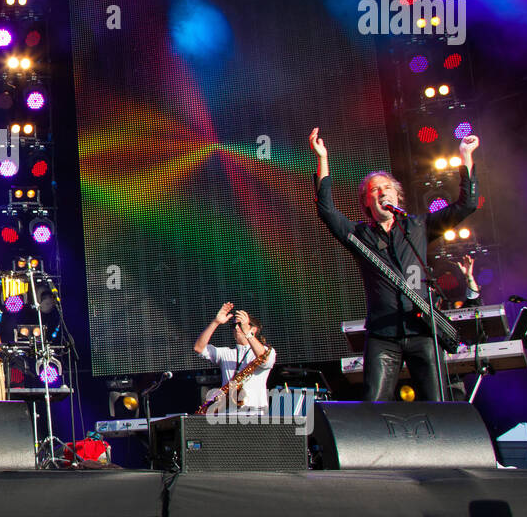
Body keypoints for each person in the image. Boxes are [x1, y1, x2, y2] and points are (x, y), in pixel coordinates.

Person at [309, 126, 480, 401]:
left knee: (437, 404)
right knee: (375, 406)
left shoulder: (419, 227)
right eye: (374, 190)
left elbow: (466, 205)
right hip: (382, 336)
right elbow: (326, 209)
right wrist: (322, 158)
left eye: (387, 188)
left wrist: (465, 155)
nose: (381, 193)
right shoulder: (359, 235)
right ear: (367, 201)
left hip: (423, 331)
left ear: (397, 196)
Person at [192, 302, 277, 412]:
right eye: (233, 325)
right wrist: (216, 322)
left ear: (253, 329)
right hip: (227, 412)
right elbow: (198, 348)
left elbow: (264, 359)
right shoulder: (226, 353)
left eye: (240, 325)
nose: (236, 328)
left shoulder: (267, 351)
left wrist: (247, 333)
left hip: (254, 412)